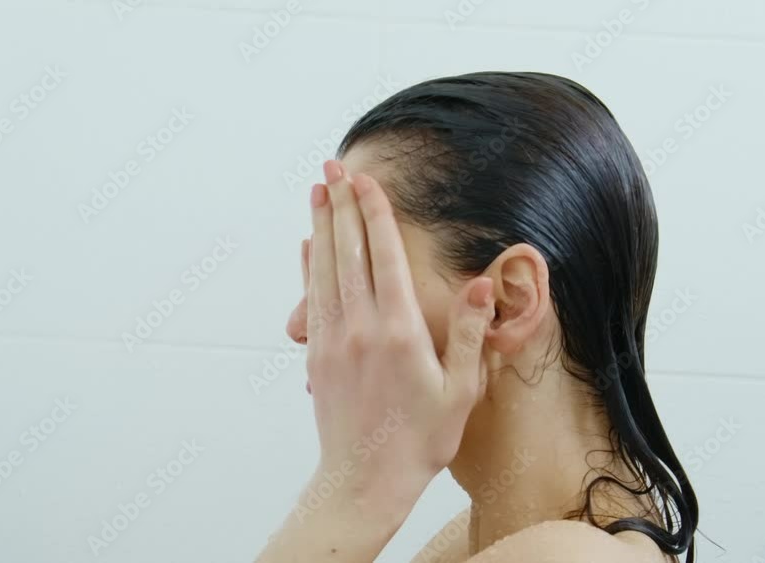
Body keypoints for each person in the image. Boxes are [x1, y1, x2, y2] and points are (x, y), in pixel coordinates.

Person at [259, 71, 698, 563]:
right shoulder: (501, 535)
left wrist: (357, 491)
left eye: (351, 277)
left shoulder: (571, 557)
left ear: (507, 303)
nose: (301, 325)